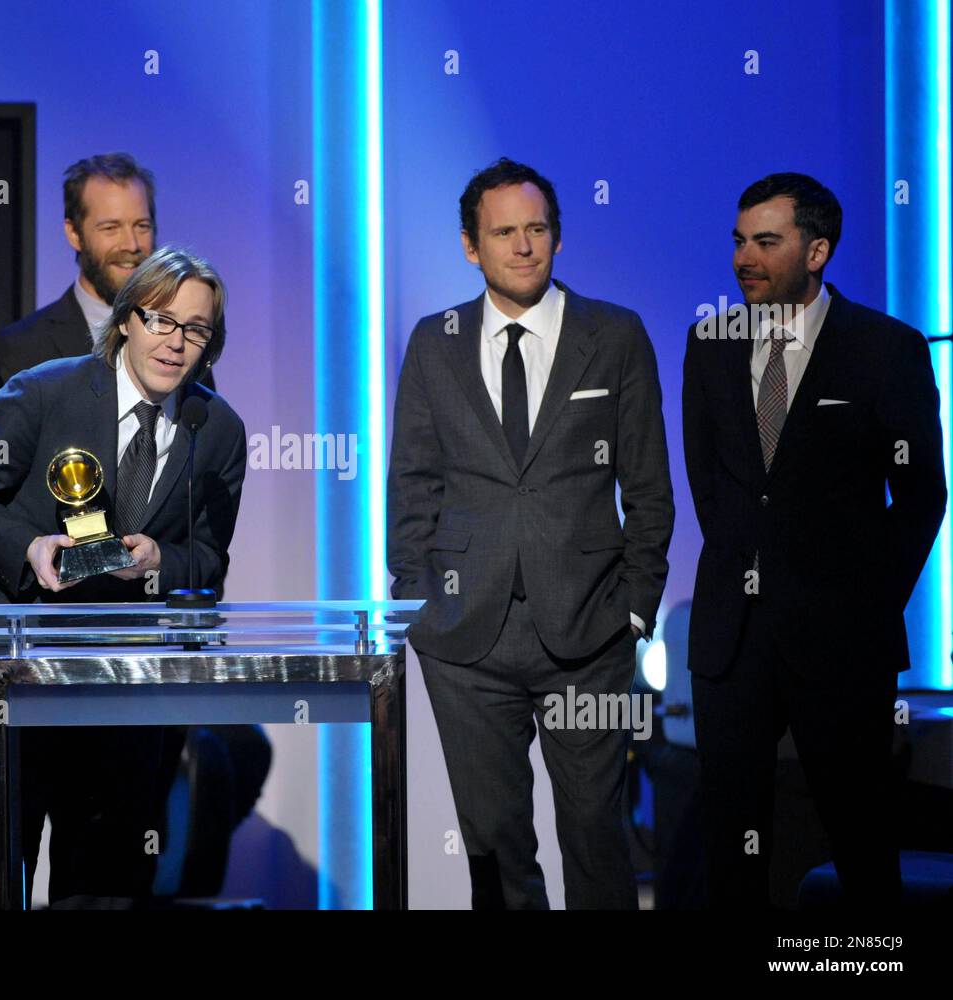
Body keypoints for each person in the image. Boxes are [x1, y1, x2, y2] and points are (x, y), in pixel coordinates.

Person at [387, 158, 674, 909]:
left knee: (596, 840)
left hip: (589, 632)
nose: (523, 246)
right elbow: (412, 483)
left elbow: (648, 488)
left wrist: (636, 609)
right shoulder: (435, 341)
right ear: (469, 245)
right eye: (504, 232)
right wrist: (419, 601)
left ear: (556, 236)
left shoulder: (613, 335)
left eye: (537, 229)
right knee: (494, 848)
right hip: (466, 640)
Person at [0, 245, 246, 906]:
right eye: (161, 320)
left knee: (98, 889)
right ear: (128, 318)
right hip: (13, 677)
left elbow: (210, 559)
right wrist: (29, 549)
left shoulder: (215, 429)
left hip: (123, 692)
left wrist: (162, 559)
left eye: (196, 329)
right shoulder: (48, 390)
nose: (176, 342)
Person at [682, 173, 946, 907]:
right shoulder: (709, 343)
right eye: (739, 240)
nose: (745, 258)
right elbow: (713, 487)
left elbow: (923, 493)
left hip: (843, 639)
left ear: (818, 249)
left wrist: (863, 602)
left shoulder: (886, 348)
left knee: (860, 836)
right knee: (731, 844)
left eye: (767, 241)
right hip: (732, 639)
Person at [0, 152, 213, 391]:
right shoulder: (22, 347)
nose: (131, 244)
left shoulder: (183, 339)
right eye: (111, 228)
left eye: (142, 226)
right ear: (74, 233)